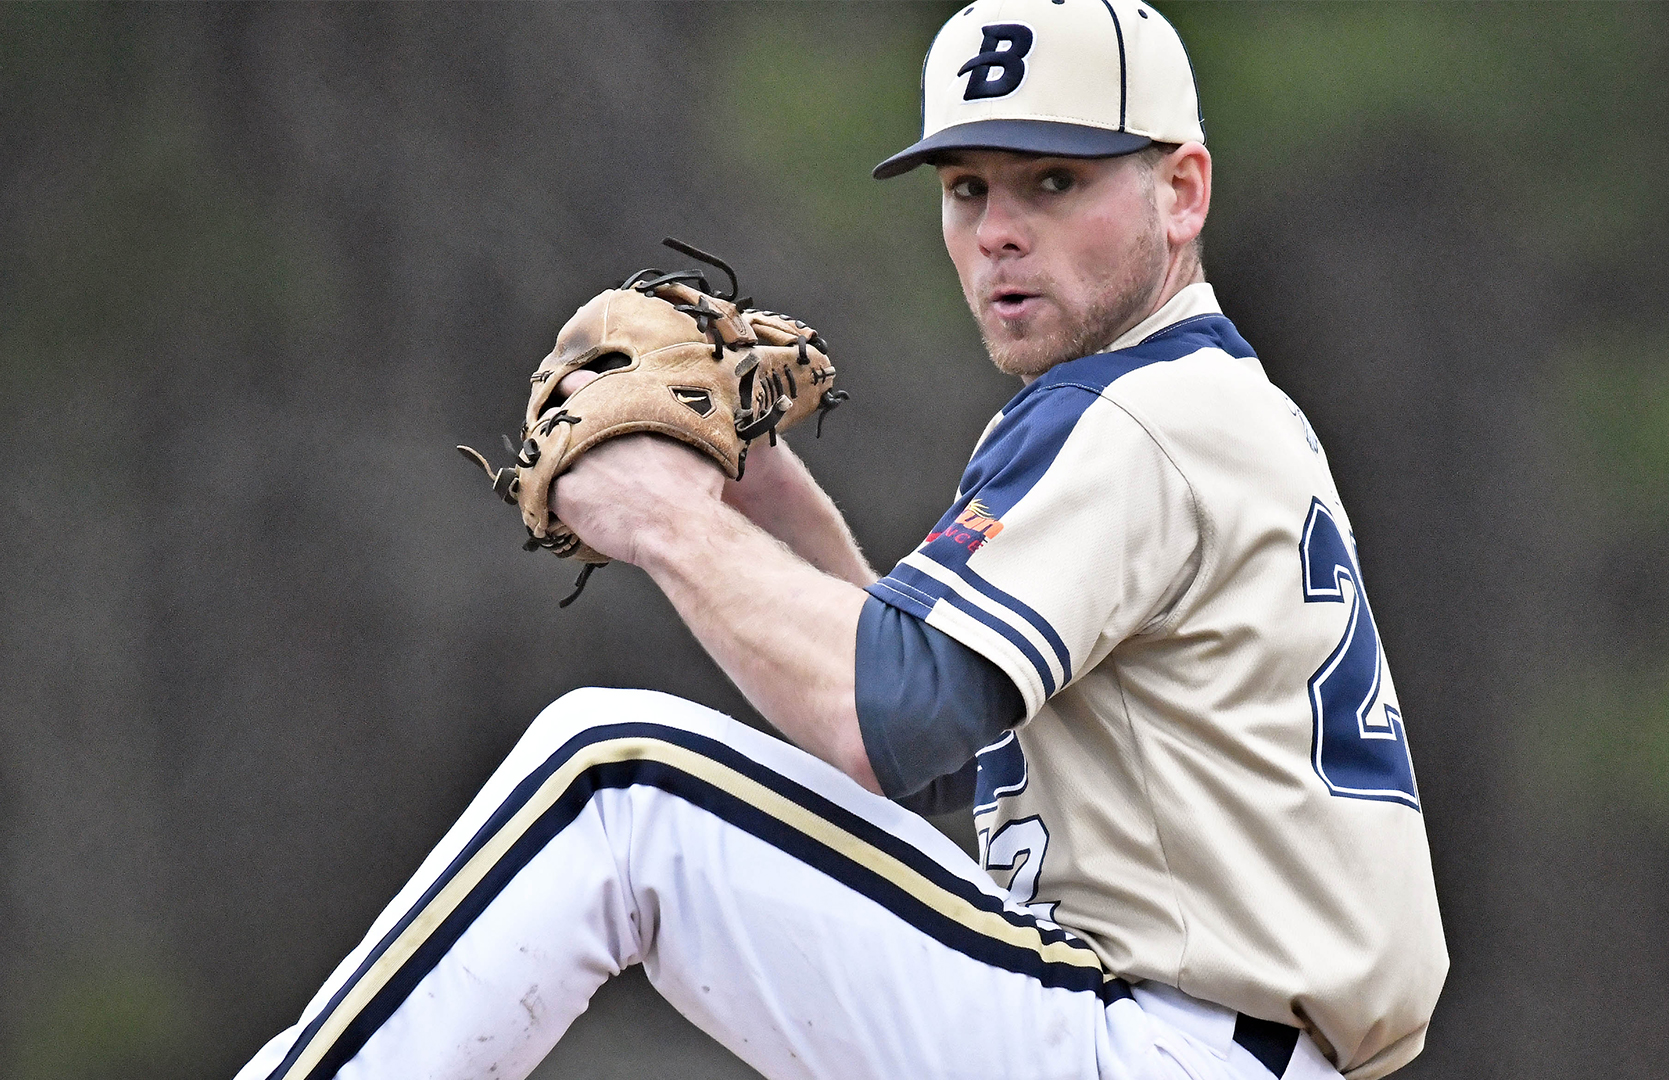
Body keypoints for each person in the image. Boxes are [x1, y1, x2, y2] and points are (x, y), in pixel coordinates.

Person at [234, 2, 1445, 1079]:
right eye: (967, 187)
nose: (997, 232)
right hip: (1180, 1037)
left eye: (1052, 183)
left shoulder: (1128, 415)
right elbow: (961, 751)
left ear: (1182, 191)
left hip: (1153, 1040)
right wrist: (766, 492)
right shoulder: (1206, 407)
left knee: (615, 780)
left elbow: (885, 718)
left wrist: (664, 517)